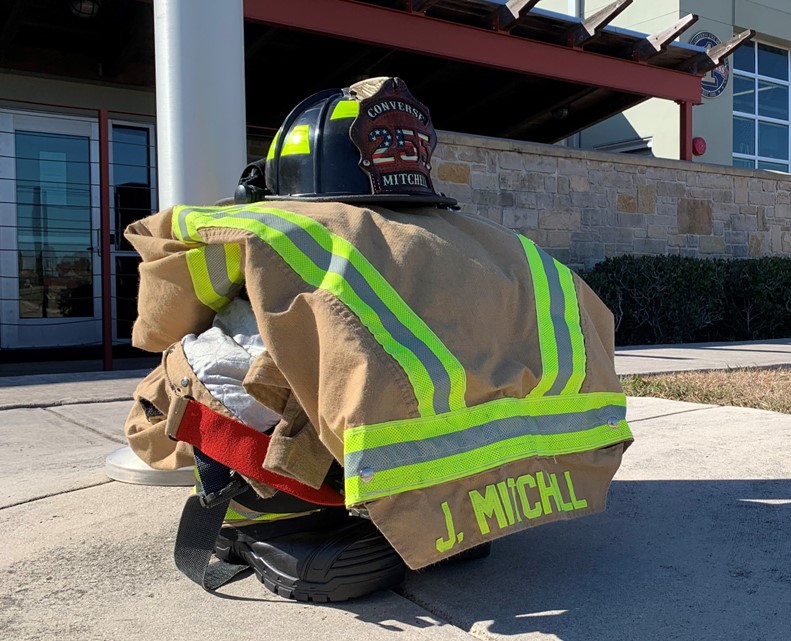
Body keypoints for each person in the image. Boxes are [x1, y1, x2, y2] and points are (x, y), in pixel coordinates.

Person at [123, 77, 634, 602]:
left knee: (205, 351)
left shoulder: (278, 230)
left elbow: (159, 321)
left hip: (331, 480)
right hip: (494, 483)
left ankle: (272, 514)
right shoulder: (511, 251)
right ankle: (440, 511)